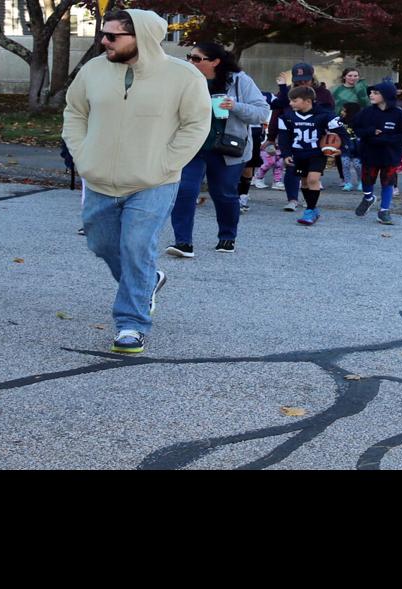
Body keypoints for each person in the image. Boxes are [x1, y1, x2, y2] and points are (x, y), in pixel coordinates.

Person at [63, 8, 208, 354]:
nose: (104, 41)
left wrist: (165, 163)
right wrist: (83, 155)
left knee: (136, 246)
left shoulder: (183, 76)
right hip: (99, 179)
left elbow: (196, 124)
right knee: (102, 244)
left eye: (113, 36)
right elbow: (75, 112)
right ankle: (148, 281)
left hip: (153, 182)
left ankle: (131, 324)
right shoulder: (93, 70)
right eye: (104, 33)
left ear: (140, 36)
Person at [164, 42, 268, 257]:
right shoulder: (186, 79)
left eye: (196, 58)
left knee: (224, 193)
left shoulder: (239, 81)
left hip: (227, 148)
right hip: (192, 146)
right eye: (189, 57)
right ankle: (183, 242)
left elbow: (261, 112)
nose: (190, 61)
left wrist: (234, 106)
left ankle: (227, 236)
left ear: (215, 62)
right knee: (184, 191)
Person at [270, 86, 351, 226]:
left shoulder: (325, 115)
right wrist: (286, 154)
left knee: (313, 179)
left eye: (294, 100)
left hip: (316, 153)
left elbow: (343, 134)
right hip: (298, 153)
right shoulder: (287, 117)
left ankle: (310, 210)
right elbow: (284, 138)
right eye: (290, 100)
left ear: (307, 101)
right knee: (305, 182)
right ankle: (312, 208)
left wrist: (341, 149)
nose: (290, 103)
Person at [352, 82, 402, 225]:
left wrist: (385, 139)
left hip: (390, 155)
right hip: (369, 153)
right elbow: (356, 129)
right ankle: (368, 198)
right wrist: (370, 132)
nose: (371, 95)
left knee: (387, 182)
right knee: (367, 180)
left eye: (376, 93)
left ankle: (384, 210)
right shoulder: (366, 112)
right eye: (371, 93)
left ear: (386, 95)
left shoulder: (399, 114)